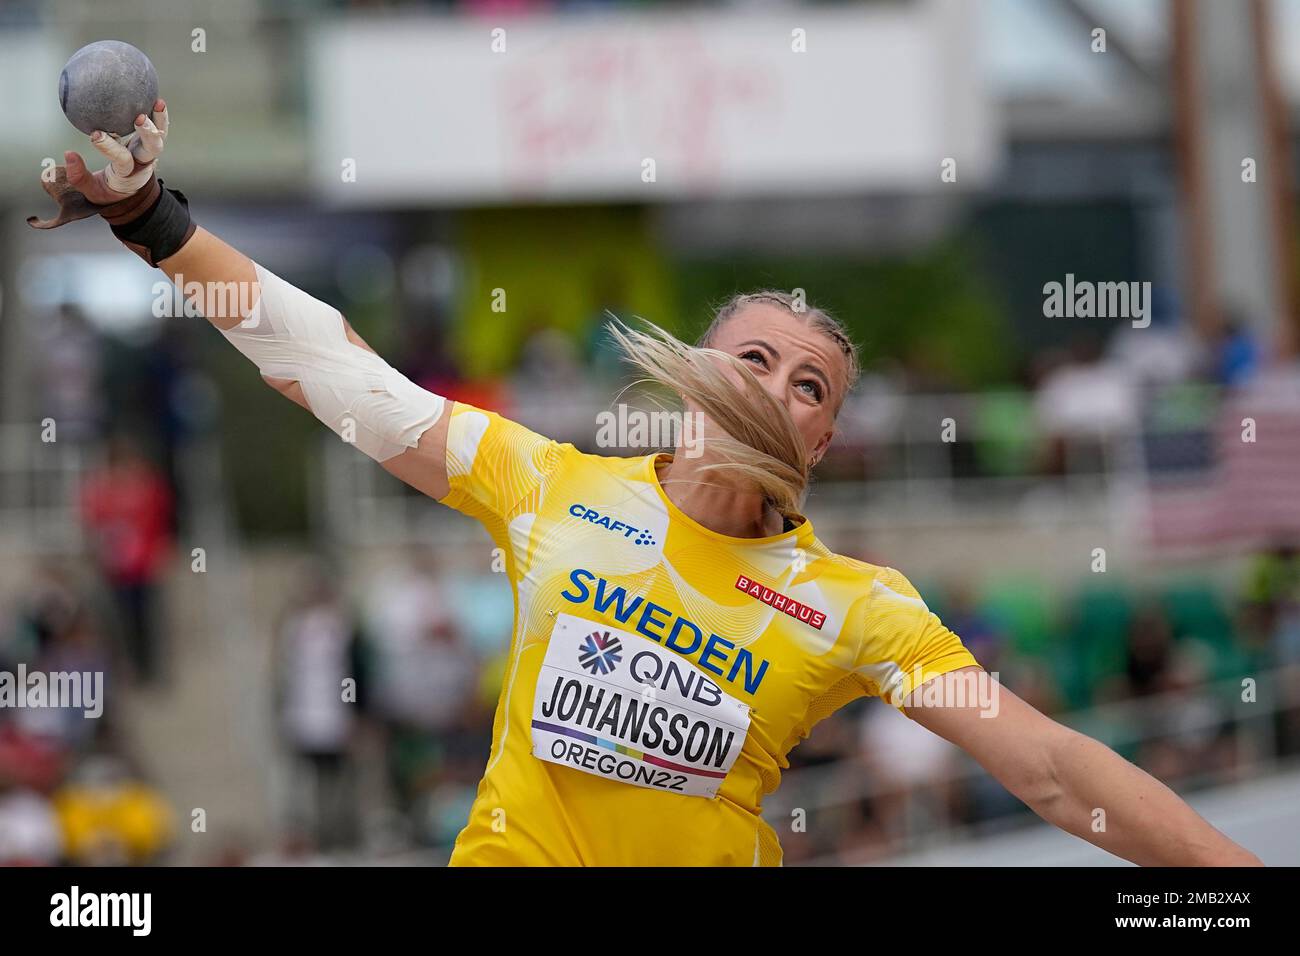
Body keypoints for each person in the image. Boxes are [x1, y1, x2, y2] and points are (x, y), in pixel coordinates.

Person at [35, 98, 1263, 867]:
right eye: (753, 357)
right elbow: (336, 372)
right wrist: (156, 223)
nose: (778, 388)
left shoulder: (856, 604)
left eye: (811, 385)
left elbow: (1051, 766)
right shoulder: (550, 485)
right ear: (691, 386)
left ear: (825, 441)